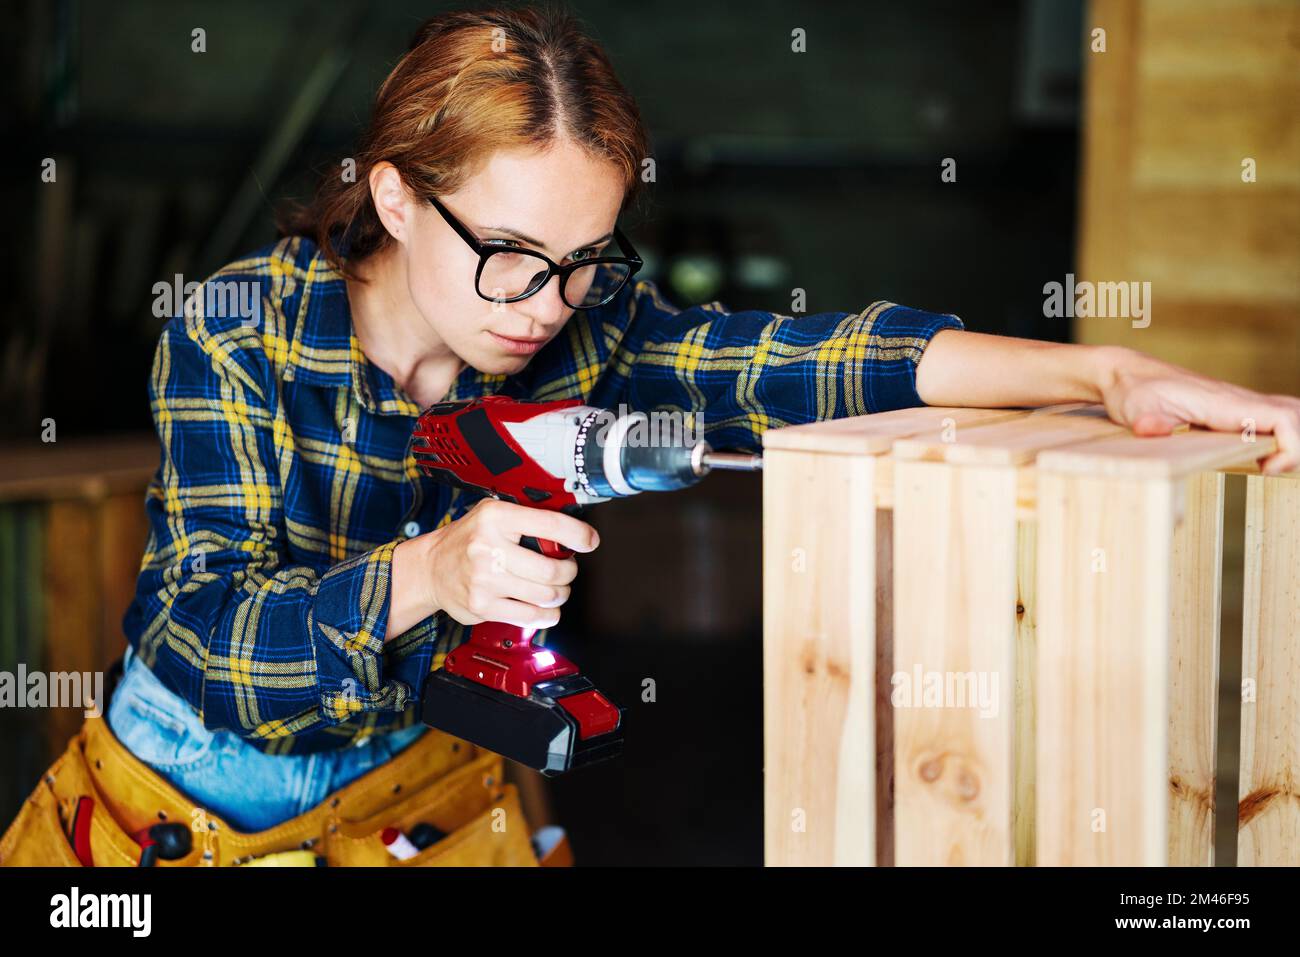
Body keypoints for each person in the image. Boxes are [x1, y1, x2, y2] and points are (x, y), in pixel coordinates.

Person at [107, 7, 1299, 835]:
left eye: (581, 259)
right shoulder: (234, 332)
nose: (544, 306)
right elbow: (208, 638)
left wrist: (1103, 373)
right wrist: (431, 572)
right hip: (195, 772)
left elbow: (816, 360)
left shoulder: (587, 329)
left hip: (423, 772)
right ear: (397, 198)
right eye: (512, 256)